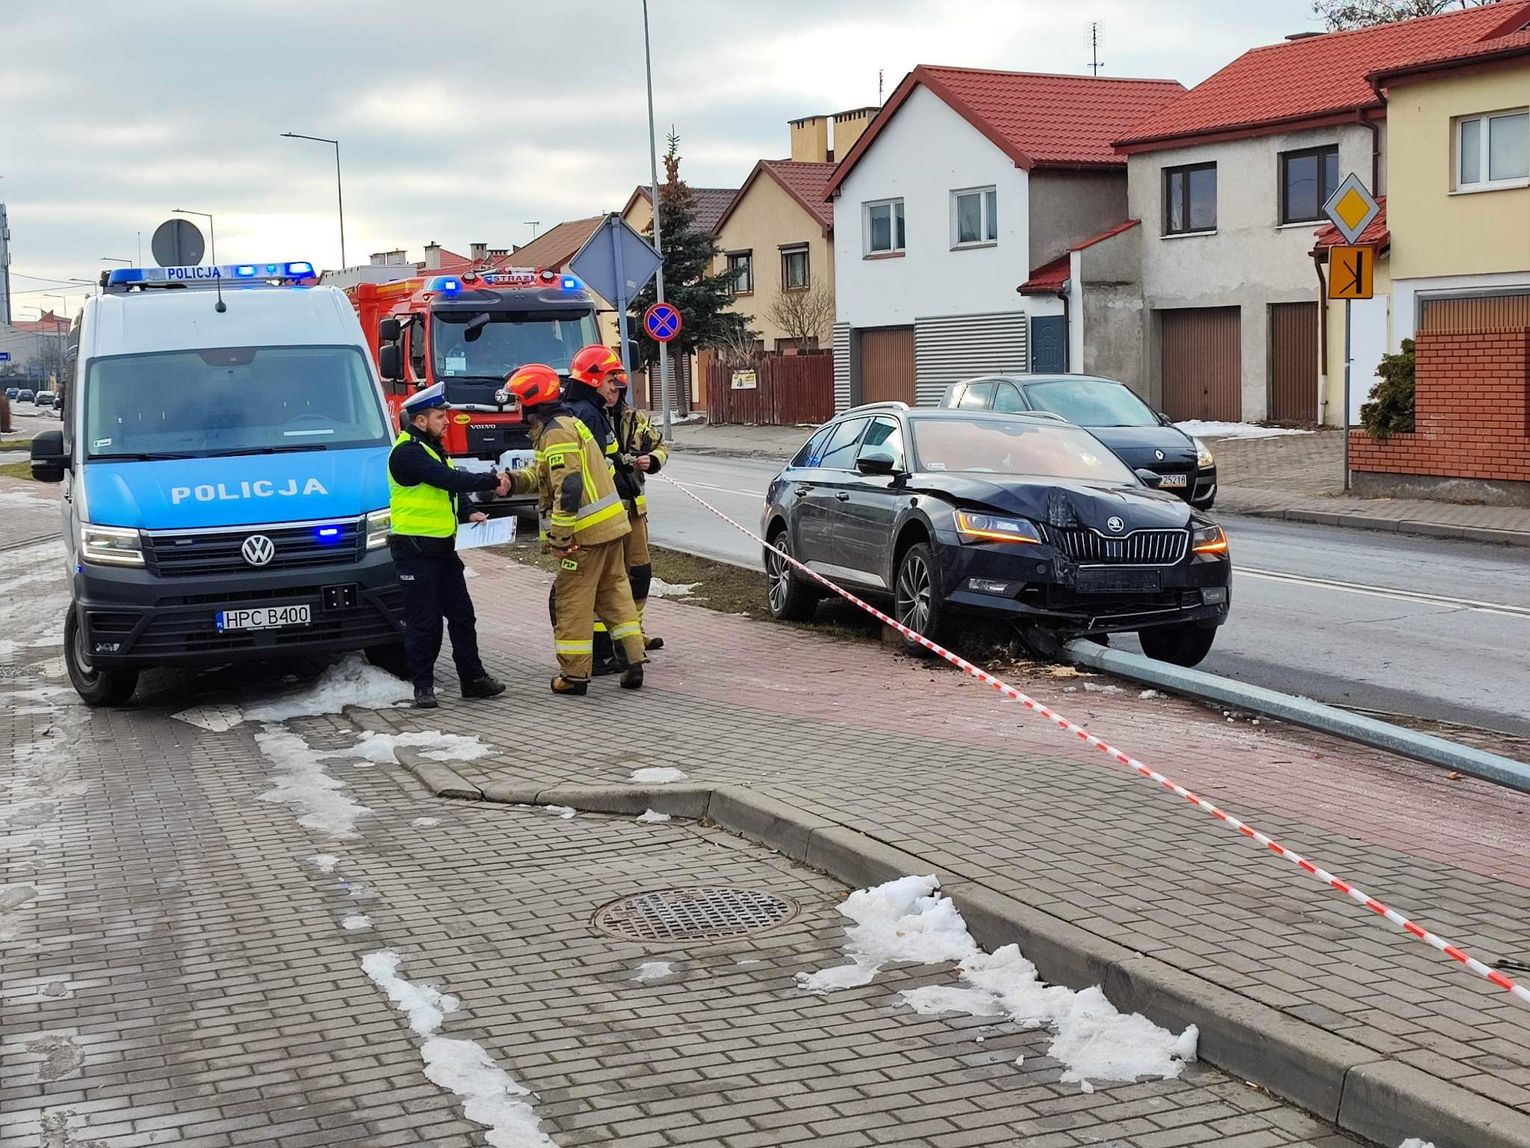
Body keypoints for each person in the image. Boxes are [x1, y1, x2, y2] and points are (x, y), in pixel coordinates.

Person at [501, 363, 646, 696]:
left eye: (519, 401)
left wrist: (561, 537)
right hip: (609, 528)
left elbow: (568, 486)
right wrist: (512, 482)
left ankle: (575, 675)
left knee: (572, 602)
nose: (517, 408)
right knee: (614, 595)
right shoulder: (568, 425)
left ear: (532, 401)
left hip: (585, 537)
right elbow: (544, 474)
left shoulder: (555, 433)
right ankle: (633, 662)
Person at [388, 383, 509, 709]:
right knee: (423, 621)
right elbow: (447, 479)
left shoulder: (431, 449)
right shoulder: (407, 452)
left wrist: (469, 509)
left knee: (462, 616)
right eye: (441, 416)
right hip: (414, 550)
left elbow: (450, 489)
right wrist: (490, 480)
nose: (447, 422)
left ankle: (473, 679)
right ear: (421, 420)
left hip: (442, 550)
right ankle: (423, 688)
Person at [600, 359, 668, 652]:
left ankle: (636, 629)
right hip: (605, 510)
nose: (612, 394)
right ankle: (615, 637)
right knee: (610, 575)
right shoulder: (590, 418)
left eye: (617, 389)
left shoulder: (634, 419)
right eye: (609, 388)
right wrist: (628, 460)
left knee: (639, 571)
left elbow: (661, 448)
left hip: (634, 510)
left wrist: (652, 461)